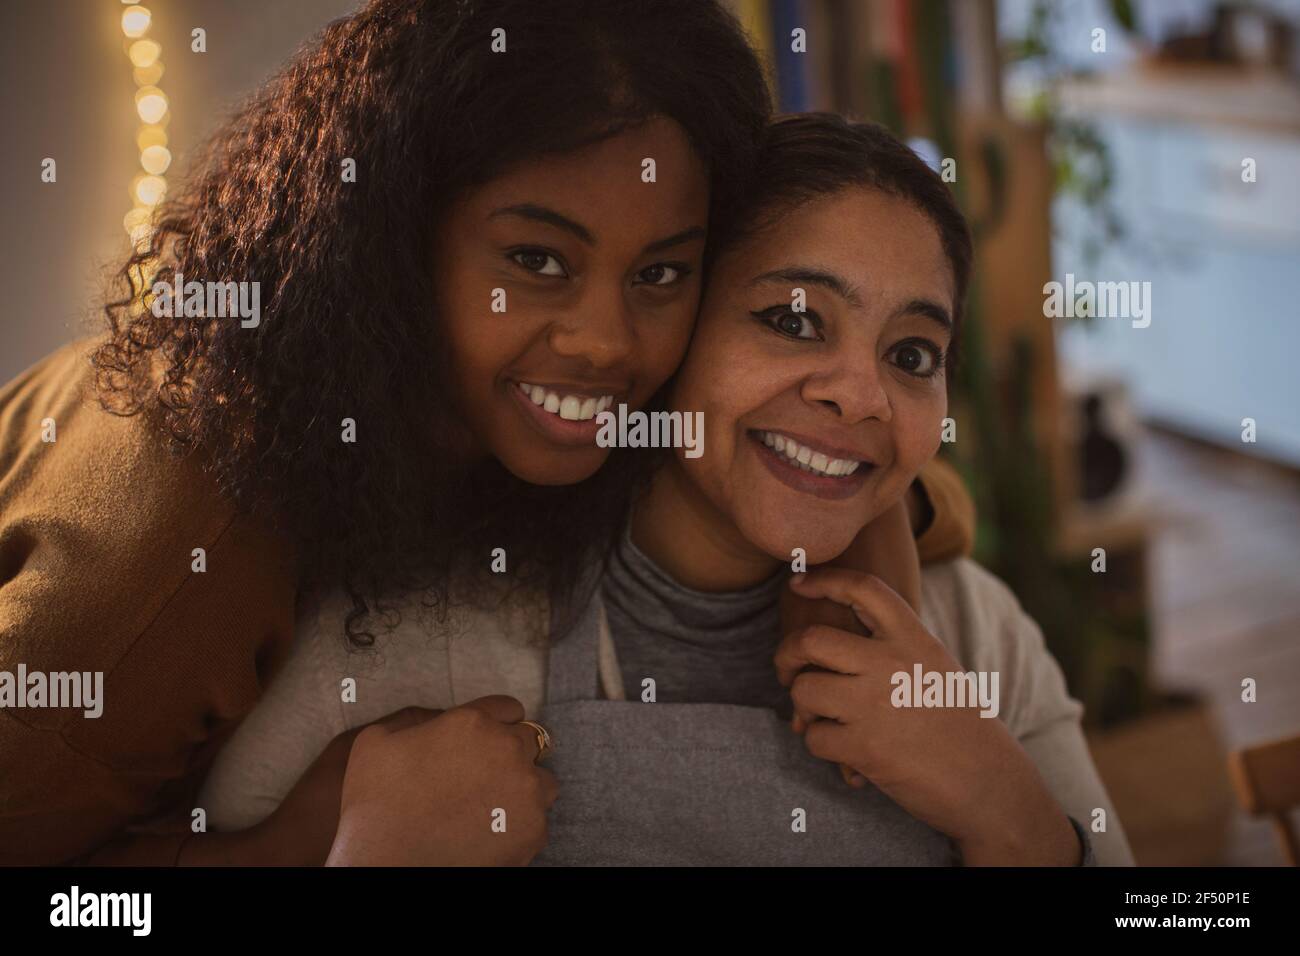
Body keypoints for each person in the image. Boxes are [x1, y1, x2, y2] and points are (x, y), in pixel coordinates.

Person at [196, 115, 1131, 866]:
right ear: (673, 328)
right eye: (793, 319)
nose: (862, 393)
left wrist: (1011, 818)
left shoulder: (978, 635)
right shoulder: (418, 629)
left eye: (912, 354)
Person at [0, 0, 773, 865]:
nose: (607, 342)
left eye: (661, 272)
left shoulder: (495, 403)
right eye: (537, 261)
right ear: (391, 237)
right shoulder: (188, 536)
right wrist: (309, 844)